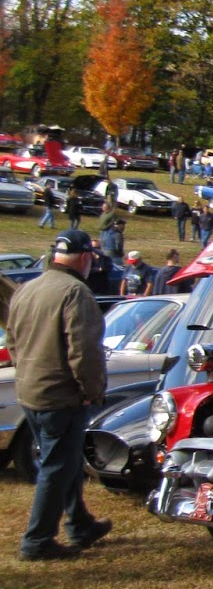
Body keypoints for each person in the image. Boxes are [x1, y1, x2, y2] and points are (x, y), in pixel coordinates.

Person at [13, 229, 111, 561]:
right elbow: (84, 351)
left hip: (30, 390)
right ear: (85, 258)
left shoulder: (27, 289)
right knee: (57, 466)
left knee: (64, 461)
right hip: (61, 394)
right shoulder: (75, 292)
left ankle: (80, 523)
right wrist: (92, 390)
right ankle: (37, 540)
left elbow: (12, 339)